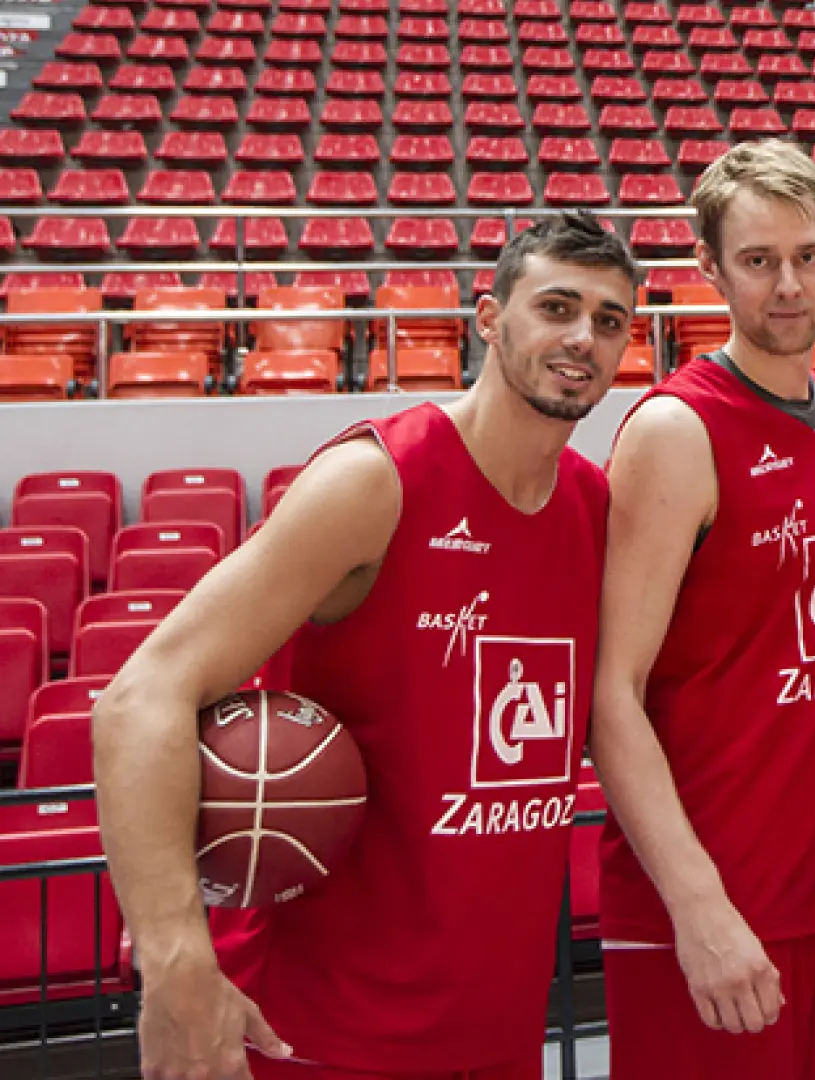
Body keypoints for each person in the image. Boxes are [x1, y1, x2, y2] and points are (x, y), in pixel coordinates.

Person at [91, 210, 637, 1080]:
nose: (583, 338)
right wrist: (173, 957)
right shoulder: (374, 482)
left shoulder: (594, 508)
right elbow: (138, 699)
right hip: (320, 1028)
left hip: (494, 1025)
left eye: (609, 321)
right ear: (490, 319)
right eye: (557, 307)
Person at [590, 139, 815, 1080]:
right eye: (759, 261)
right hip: (716, 912)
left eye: (808, 256)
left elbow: (787, 624)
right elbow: (613, 695)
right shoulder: (678, 430)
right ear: (709, 268)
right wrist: (699, 906)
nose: (790, 286)